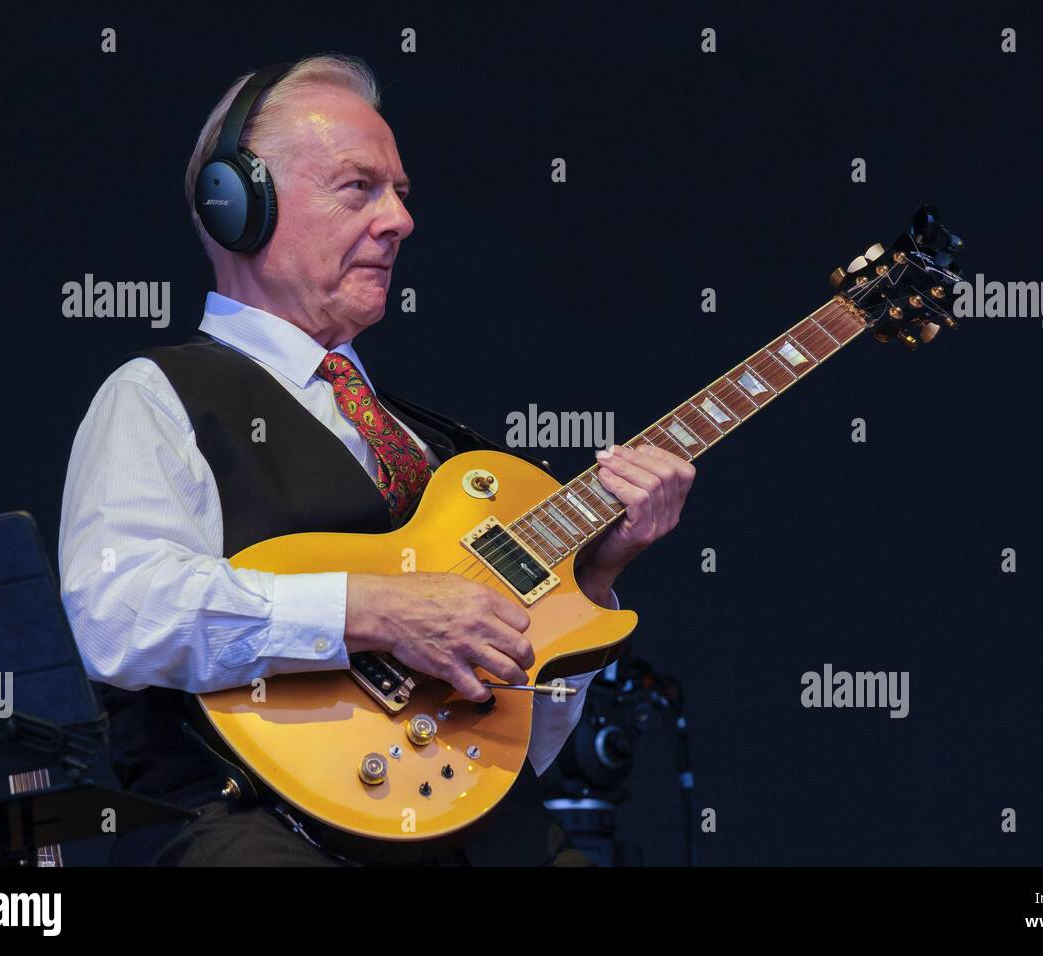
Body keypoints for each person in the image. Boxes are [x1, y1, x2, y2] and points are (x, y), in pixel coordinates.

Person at [58, 54, 694, 866]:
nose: (400, 220)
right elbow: (119, 612)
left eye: (401, 193)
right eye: (359, 187)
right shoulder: (159, 395)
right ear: (236, 206)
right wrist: (378, 611)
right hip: (249, 829)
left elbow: (516, 751)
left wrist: (594, 580)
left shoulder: (447, 452)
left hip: (472, 835)